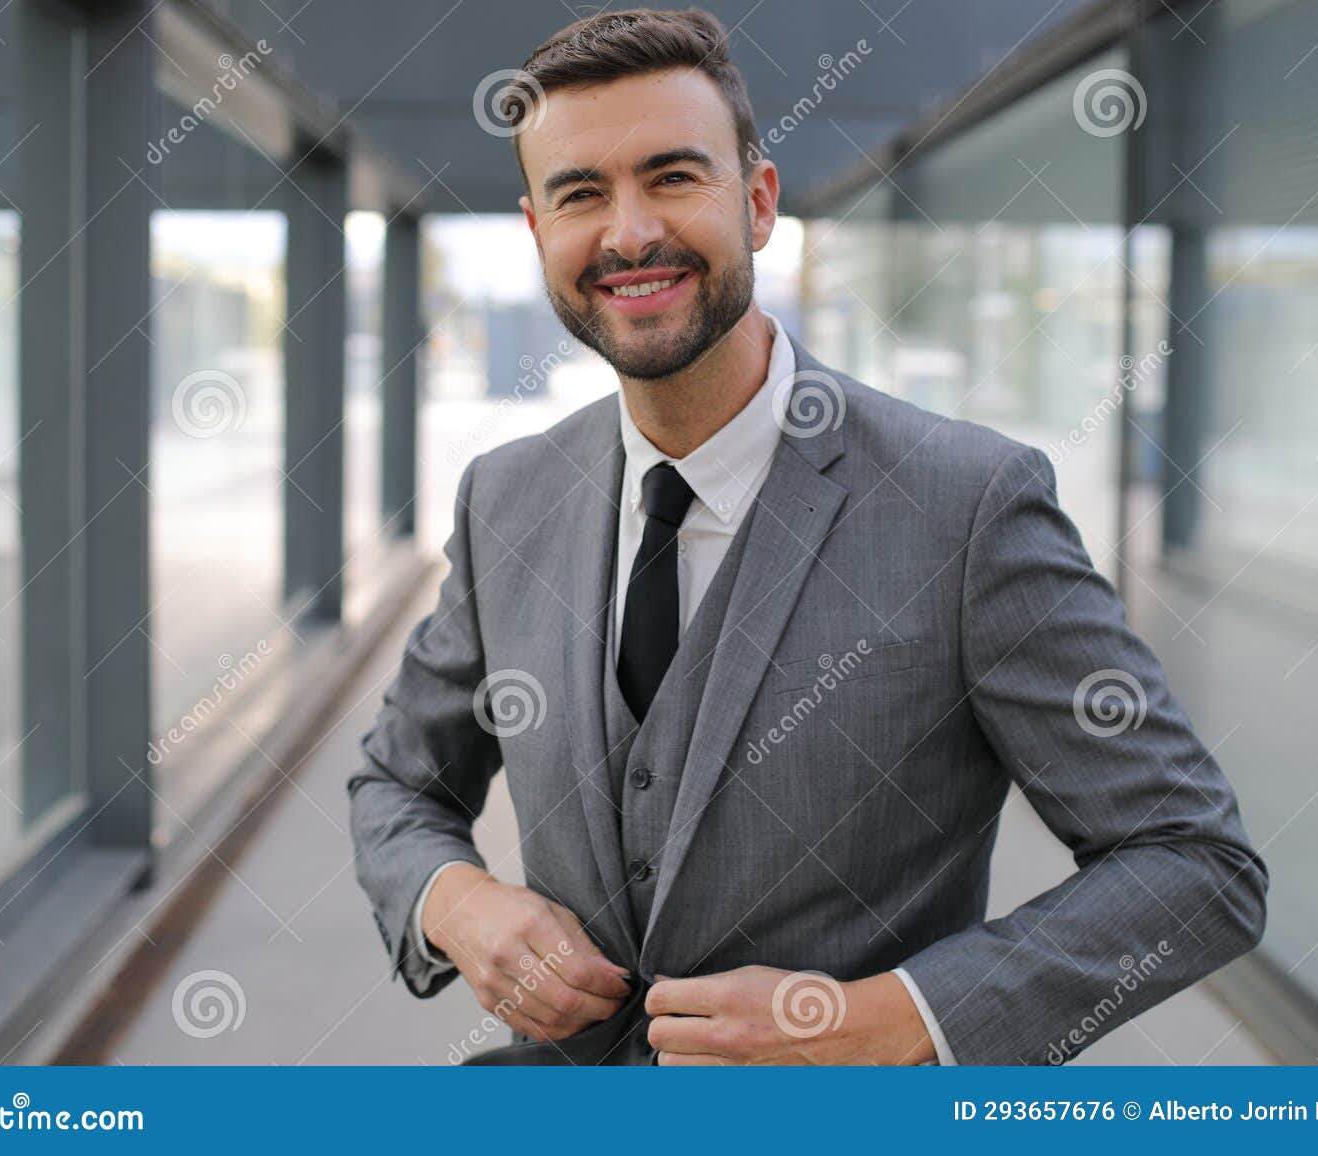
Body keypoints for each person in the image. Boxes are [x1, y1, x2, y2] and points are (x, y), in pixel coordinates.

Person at [349, 6, 1267, 1066]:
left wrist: (898, 1021)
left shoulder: (965, 504)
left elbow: (1194, 863)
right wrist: (453, 900)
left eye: (672, 177)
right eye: (581, 194)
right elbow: (396, 783)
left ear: (758, 202)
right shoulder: (505, 498)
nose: (629, 233)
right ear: (537, 231)